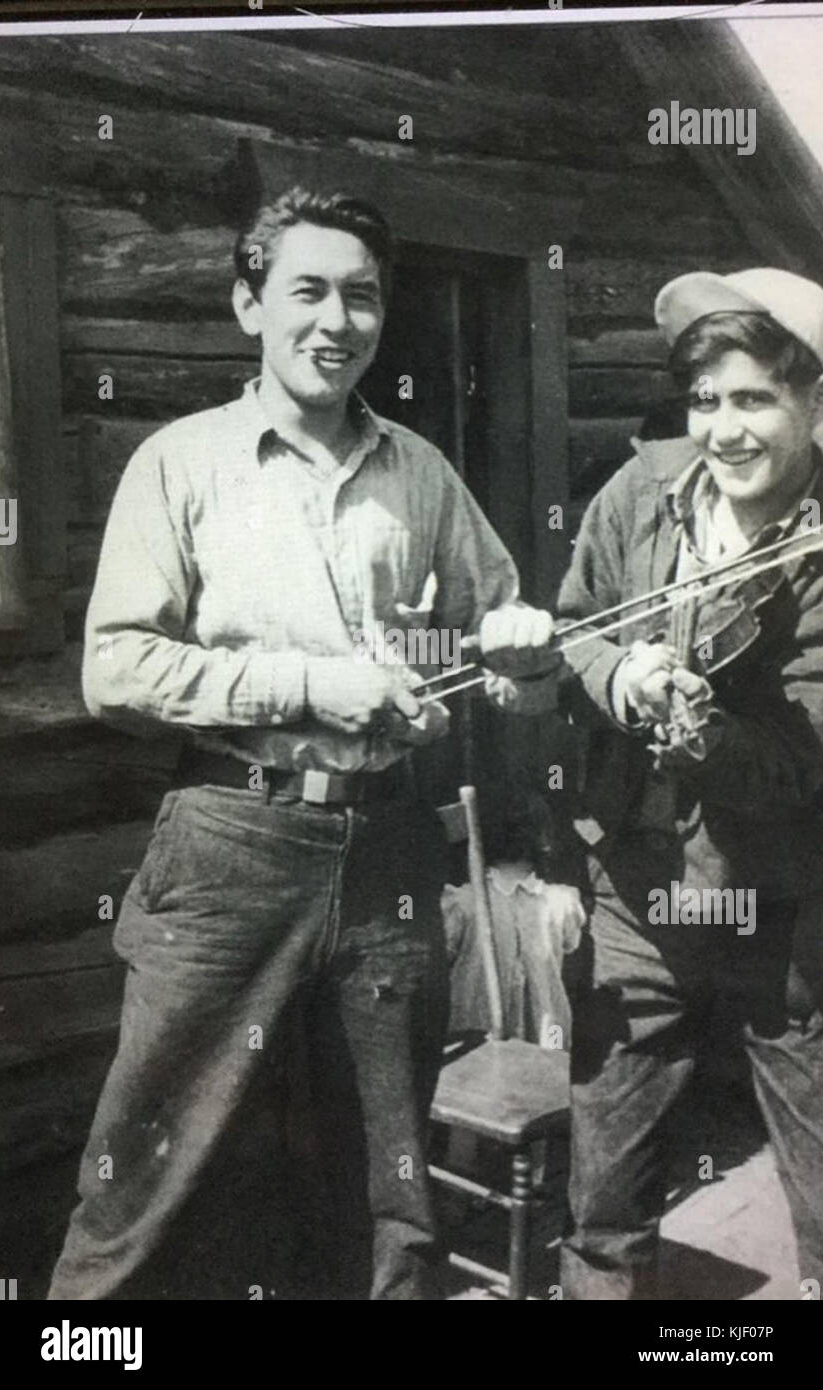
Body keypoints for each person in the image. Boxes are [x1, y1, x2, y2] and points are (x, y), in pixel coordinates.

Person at [47, 186, 562, 1302]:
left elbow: (508, 661)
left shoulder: (421, 472)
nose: (339, 321)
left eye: (363, 298)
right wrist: (310, 683)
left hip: (387, 857)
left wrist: (525, 657)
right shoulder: (180, 463)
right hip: (228, 841)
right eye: (309, 291)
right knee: (144, 1178)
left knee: (383, 1197)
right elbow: (116, 669)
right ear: (249, 304)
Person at [556, 267, 823, 1299]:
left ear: (812, 404)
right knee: (605, 1200)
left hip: (785, 908)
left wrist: (701, 732)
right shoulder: (641, 489)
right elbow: (580, 618)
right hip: (637, 889)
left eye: (753, 397)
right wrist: (621, 674)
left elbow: (801, 768)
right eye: (706, 400)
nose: (723, 429)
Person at [442, 784, 585, 1048]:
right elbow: (571, 944)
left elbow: (443, 956)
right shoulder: (466, 904)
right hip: (499, 1033)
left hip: (528, 1034)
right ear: (545, 840)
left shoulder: (560, 902)